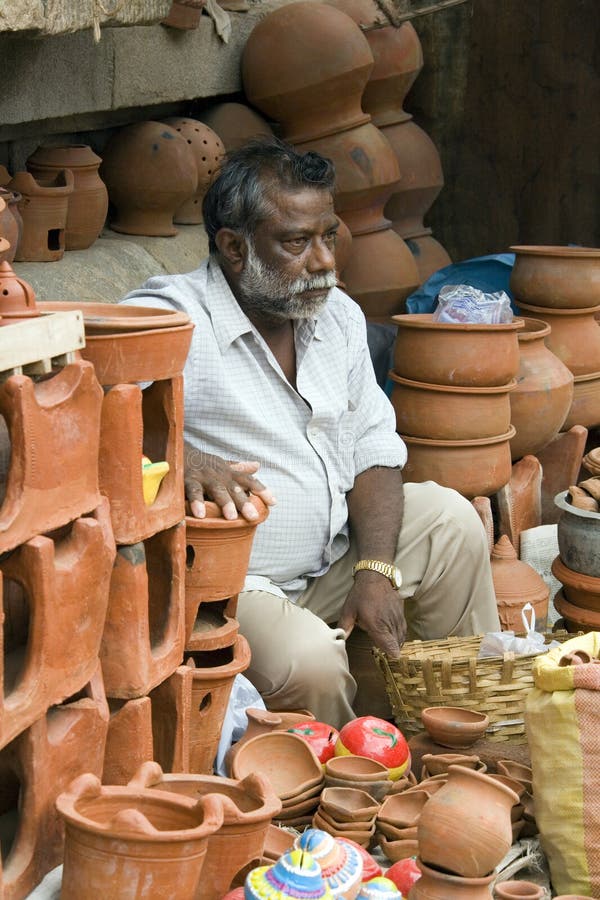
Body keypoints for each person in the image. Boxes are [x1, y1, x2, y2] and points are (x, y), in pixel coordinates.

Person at [121, 137, 500, 728]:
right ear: (234, 248)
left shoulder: (338, 317)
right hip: (227, 589)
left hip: (330, 558)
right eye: (297, 242)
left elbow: (374, 446)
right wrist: (182, 456)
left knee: (451, 523)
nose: (324, 259)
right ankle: (346, 786)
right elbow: (89, 405)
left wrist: (376, 568)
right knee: (310, 664)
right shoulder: (172, 316)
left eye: (329, 235)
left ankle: (462, 730)